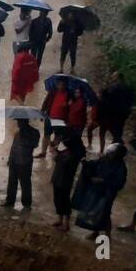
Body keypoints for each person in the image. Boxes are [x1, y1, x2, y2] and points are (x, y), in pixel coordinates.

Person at [73, 143, 128, 239]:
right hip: (95, 191)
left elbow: (119, 183)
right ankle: (95, 233)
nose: (109, 154)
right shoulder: (104, 159)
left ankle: (107, 235)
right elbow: (94, 164)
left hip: (107, 194)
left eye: (111, 153)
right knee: (93, 212)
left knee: (105, 213)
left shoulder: (121, 168)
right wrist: (85, 163)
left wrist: (103, 181)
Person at [51, 90, 89, 230]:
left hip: (64, 179)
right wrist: (56, 151)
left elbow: (62, 160)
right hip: (57, 177)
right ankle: (59, 218)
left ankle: (66, 222)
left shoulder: (72, 154)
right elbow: (57, 158)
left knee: (64, 199)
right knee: (57, 198)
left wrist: (58, 153)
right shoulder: (66, 148)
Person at [4, 118, 40, 211]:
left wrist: (25, 138)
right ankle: (10, 201)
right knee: (12, 182)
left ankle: (27, 204)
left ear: (25, 122)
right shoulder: (17, 133)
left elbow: (35, 145)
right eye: (18, 122)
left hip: (25, 162)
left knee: (25, 183)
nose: (18, 124)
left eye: (20, 122)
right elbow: (13, 147)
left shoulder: (34, 132)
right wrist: (10, 158)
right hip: (14, 161)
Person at [96, 80, 135, 148]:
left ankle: (115, 145)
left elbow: (100, 111)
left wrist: (99, 119)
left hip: (107, 120)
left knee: (108, 134)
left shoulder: (104, 101)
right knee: (115, 133)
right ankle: (116, 145)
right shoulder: (112, 99)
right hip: (112, 118)